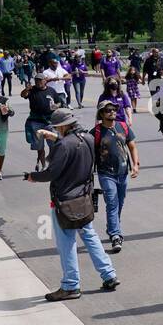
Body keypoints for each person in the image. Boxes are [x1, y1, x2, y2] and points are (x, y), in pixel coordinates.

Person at [23, 108, 120, 300]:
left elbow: (52, 172)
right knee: (90, 236)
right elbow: (72, 145)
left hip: (65, 200)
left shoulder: (64, 145)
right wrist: (55, 138)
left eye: (58, 127)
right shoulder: (88, 139)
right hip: (84, 197)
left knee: (66, 242)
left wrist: (32, 176)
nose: (57, 130)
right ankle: (109, 274)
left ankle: (70, 285)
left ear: (64, 125)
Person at [91, 100, 139, 253]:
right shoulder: (96, 132)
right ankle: (115, 235)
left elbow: (132, 146)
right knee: (112, 203)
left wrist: (136, 164)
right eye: (108, 110)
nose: (112, 112)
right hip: (106, 174)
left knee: (120, 202)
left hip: (123, 172)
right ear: (101, 114)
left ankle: (113, 226)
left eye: (113, 109)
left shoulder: (123, 126)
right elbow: (89, 153)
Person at [22, 72, 58, 171]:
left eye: (40, 80)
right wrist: (26, 89)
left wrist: (56, 106)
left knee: (53, 145)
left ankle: (52, 165)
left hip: (49, 122)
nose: (38, 82)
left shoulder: (51, 90)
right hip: (35, 122)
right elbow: (23, 95)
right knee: (39, 147)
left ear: (45, 81)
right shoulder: (32, 90)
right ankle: (43, 166)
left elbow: (58, 101)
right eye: (36, 80)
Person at [0, 94, 11, 181]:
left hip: (3, 129)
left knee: (2, 151)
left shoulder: (4, 100)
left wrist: (7, 110)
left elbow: (12, 112)